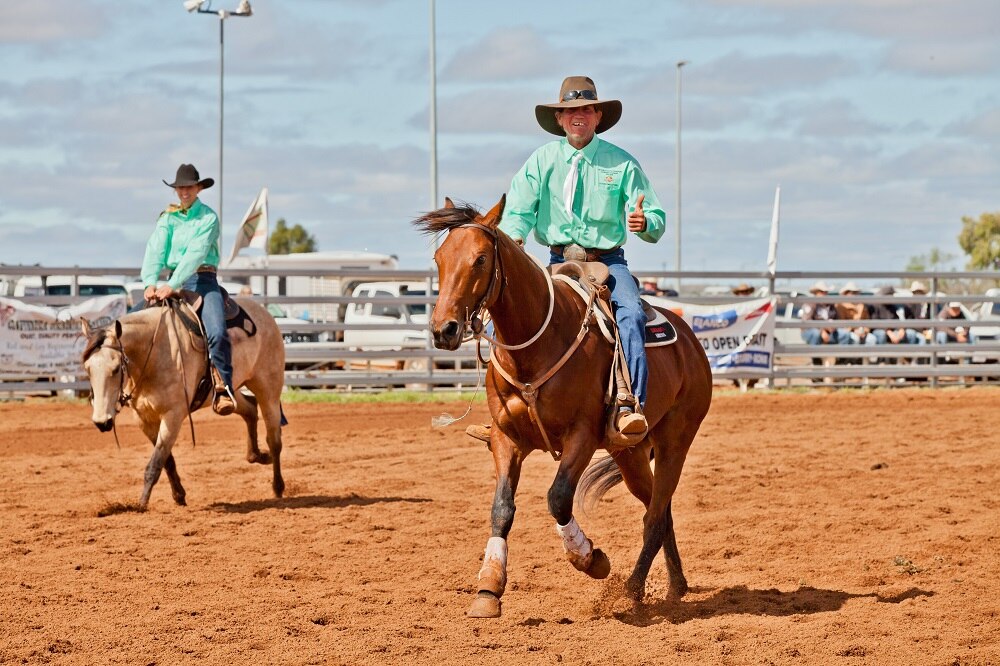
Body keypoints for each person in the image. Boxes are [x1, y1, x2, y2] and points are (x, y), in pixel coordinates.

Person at [471, 75, 666, 442]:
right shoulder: (541, 162)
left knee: (630, 312)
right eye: (570, 110)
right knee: (505, 314)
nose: (579, 115)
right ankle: (502, 410)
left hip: (607, 261)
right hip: (556, 261)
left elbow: (655, 216)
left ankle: (630, 405)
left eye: (587, 109)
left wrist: (644, 223)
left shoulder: (622, 164)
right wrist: (513, 236)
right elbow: (518, 210)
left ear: (597, 117)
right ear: (559, 119)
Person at [138, 164, 236, 416]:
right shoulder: (168, 218)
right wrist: (150, 281)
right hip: (172, 282)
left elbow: (196, 253)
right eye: (180, 187)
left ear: (199, 188)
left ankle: (222, 385)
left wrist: (172, 285)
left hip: (202, 280)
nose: (184, 191)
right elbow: (155, 249)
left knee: (216, 331)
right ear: (175, 190)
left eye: (189, 187)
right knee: (129, 325)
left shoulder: (208, 218)